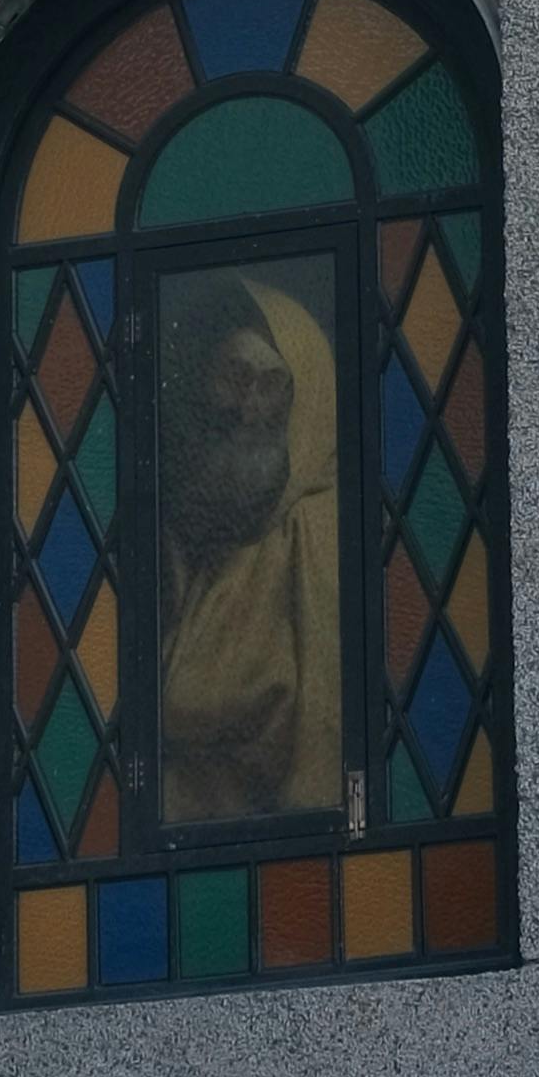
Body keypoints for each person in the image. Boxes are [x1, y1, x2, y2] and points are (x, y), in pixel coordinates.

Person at [156, 270, 348, 827]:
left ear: (302, 399)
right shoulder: (189, 524)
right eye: (233, 378)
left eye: (271, 385)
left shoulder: (320, 535)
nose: (247, 408)